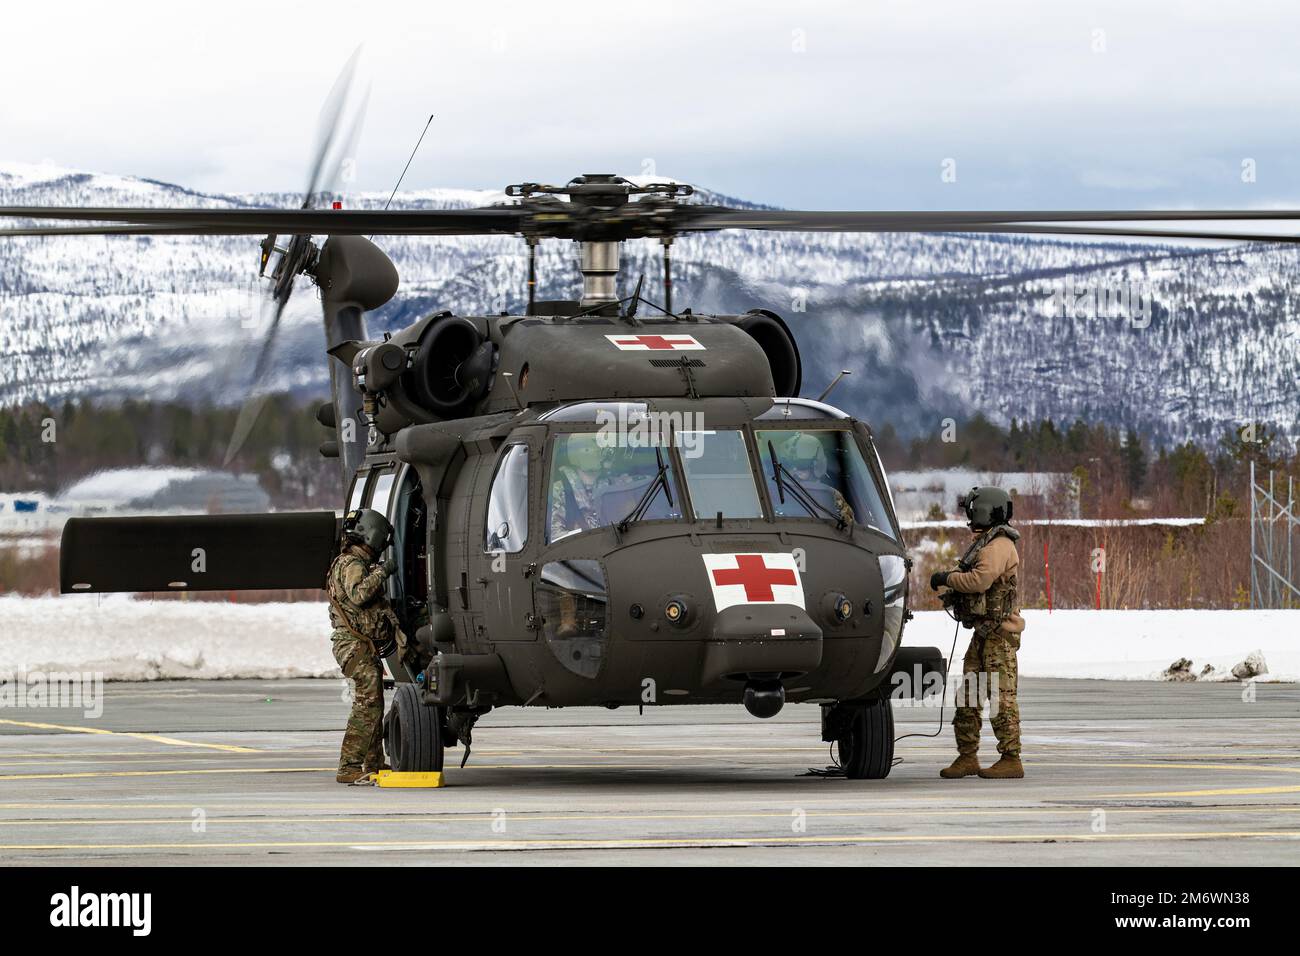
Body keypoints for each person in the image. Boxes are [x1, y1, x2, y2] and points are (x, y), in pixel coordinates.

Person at [929, 486, 1026, 780]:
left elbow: (980, 580)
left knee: (1000, 696)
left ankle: (1011, 758)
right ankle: (967, 756)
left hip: (998, 635)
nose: (970, 516)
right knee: (968, 695)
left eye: (973, 510)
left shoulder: (999, 545)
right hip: (983, 633)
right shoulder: (986, 544)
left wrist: (948, 578)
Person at [327, 508, 400, 784]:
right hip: (353, 645)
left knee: (374, 701)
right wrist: (383, 572)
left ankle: (373, 762)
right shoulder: (351, 564)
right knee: (367, 703)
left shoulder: (348, 562)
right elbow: (359, 595)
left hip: (359, 645)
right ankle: (349, 765)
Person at [780, 433, 855, 525]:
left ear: (816, 465)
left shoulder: (831, 494)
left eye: (801, 465)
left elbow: (851, 527)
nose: (795, 470)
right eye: (790, 465)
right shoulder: (778, 490)